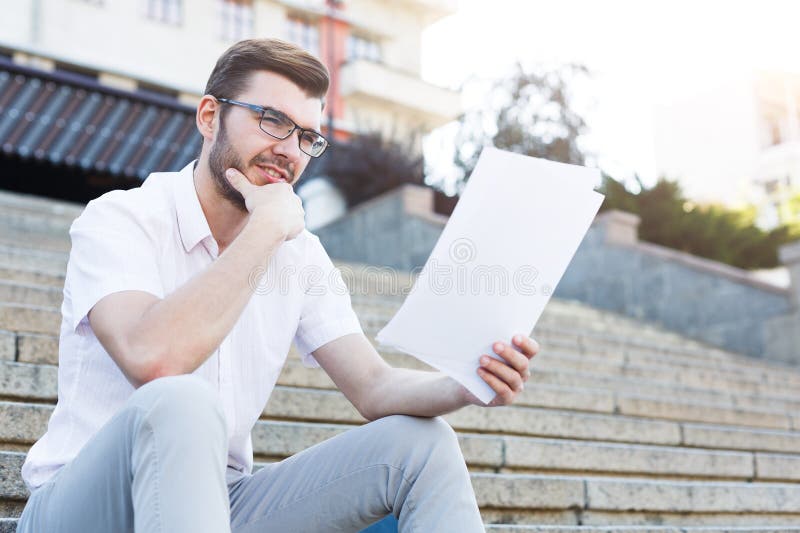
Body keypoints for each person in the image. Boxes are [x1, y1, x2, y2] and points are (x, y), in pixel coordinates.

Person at [17, 38, 539, 533]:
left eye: (306, 137)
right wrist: (263, 231)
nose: (289, 150)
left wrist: (463, 384)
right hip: (88, 508)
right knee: (183, 401)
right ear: (209, 116)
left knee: (420, 444)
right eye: (272, 121)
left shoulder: (298, 254)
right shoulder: (121, 218)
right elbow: (153, 358)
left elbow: (375, 388)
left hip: (220, 507)